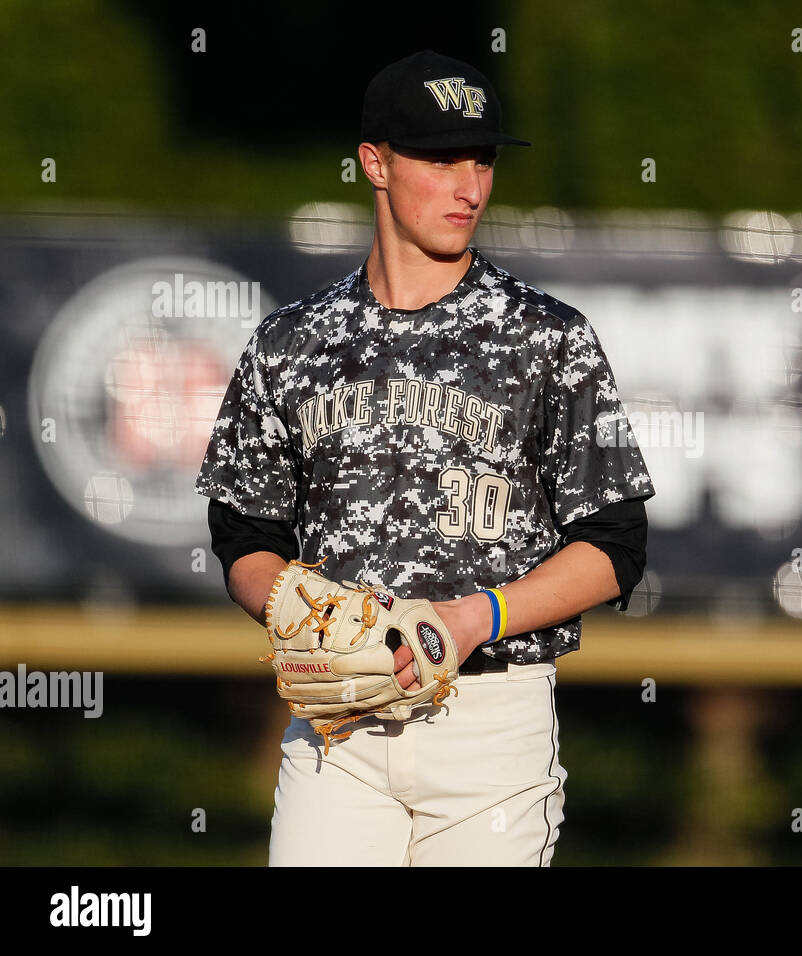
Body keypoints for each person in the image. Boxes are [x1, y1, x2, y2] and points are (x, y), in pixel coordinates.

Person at [195, 50, 654, 866]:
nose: (470, 186)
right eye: (441, 159)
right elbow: (241, 532)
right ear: (375, 163)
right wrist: (301, 611)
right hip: (339, 730)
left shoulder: (546, 337)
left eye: (481, 159)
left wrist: (474, 616)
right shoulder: (293, 342)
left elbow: (616, 546)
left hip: (490, 725)